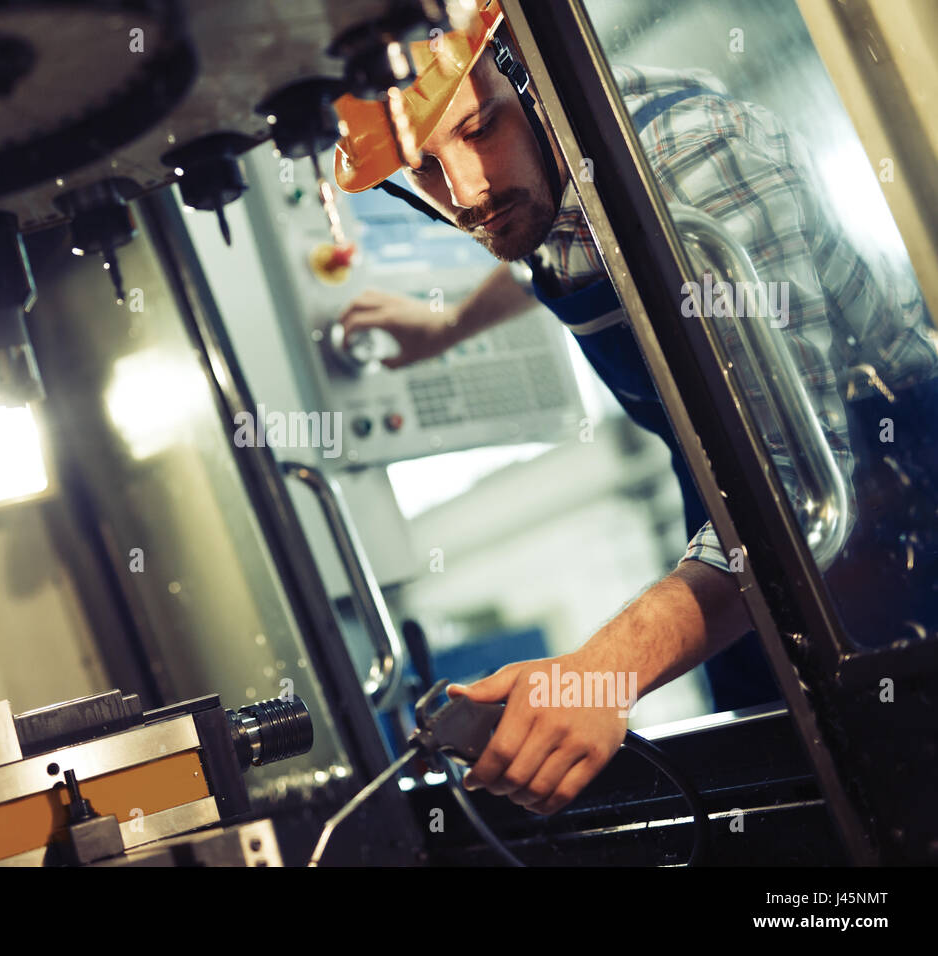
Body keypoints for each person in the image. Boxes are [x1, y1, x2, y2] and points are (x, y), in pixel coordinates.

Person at [330, 3, 938, 815]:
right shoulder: (540, 181)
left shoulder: (693, 168)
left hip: (888, 505)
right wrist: (446, 326)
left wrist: (602, 673)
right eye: (427, 172)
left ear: (532, 78)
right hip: (736, 511)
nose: (467, 192)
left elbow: (798, 495)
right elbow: (550, 239)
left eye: (478, 130)